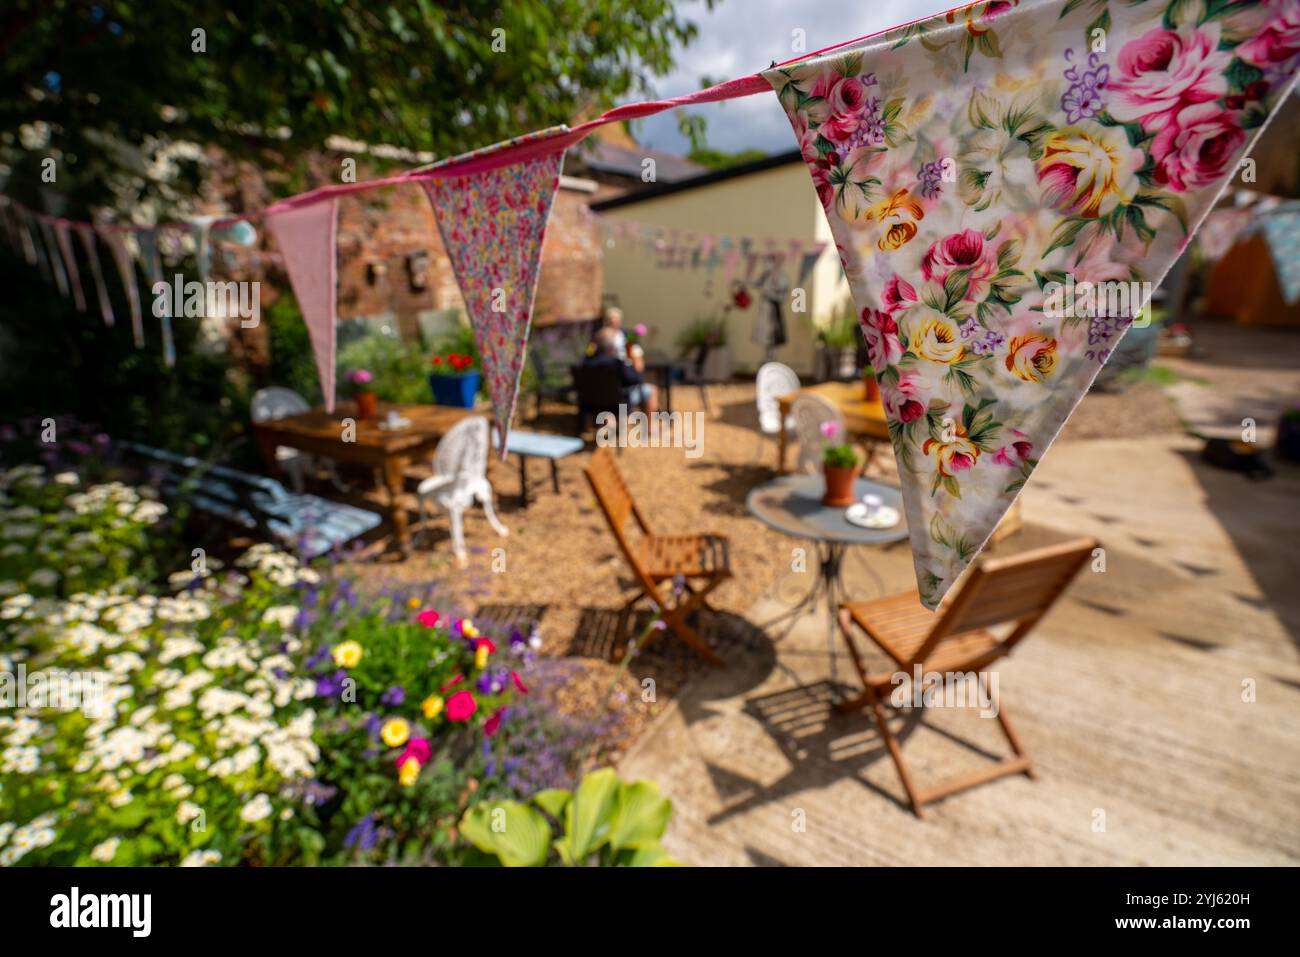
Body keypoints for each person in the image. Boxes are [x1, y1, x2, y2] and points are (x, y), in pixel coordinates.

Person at [584, 327, 656, 414]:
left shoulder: (588, 363)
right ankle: (650, 427)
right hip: (619, 401)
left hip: (592, 401)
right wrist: (633, 360)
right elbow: (636, 379)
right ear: (613, 345)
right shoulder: (618, 364)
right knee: (651, 390)